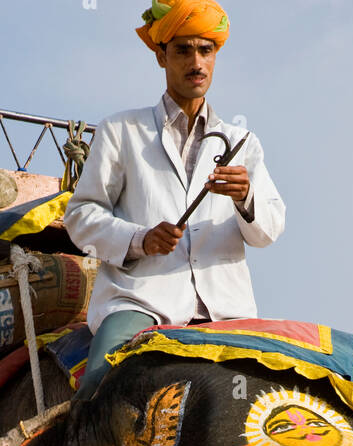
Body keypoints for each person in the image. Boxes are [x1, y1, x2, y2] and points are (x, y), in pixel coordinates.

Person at [64, 1, 286, 398]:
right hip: (140, 304)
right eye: (183, 50)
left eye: (206, 50)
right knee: (100, 391)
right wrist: (139, 239)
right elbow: (81, 216)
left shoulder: (243, 143)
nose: (196, 62)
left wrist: (245, 196)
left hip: (226, 311)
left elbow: (269, 229)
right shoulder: (121, 130)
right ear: (160, 55)